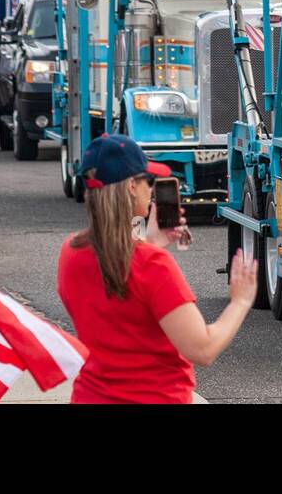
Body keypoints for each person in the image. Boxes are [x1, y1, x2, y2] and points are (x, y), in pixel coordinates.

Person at [57, 134, 258, 403]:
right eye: (148, 181)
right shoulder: (152, 265)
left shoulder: (70, 252)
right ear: (131, 186)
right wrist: (240, 301)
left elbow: (121, 290)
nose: (151, 189)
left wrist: (151, 242)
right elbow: (202, 348)